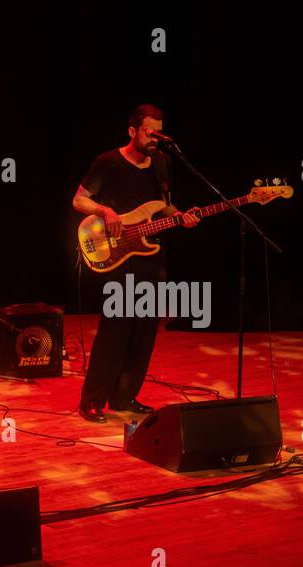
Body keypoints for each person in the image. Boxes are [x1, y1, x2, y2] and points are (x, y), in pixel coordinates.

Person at [73, 104, 199, 423]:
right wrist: (105, 211)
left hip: (151, 254)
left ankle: (124, 396)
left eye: (158, 131)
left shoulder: (162, 162)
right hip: (118, 253)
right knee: (116, 328)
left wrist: (182, 217)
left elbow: (164, 206)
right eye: (148, 131)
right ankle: (93, 399)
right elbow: (79, 199)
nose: (153, 137)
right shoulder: (109, 162)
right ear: (132, 131)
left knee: (144, 330)